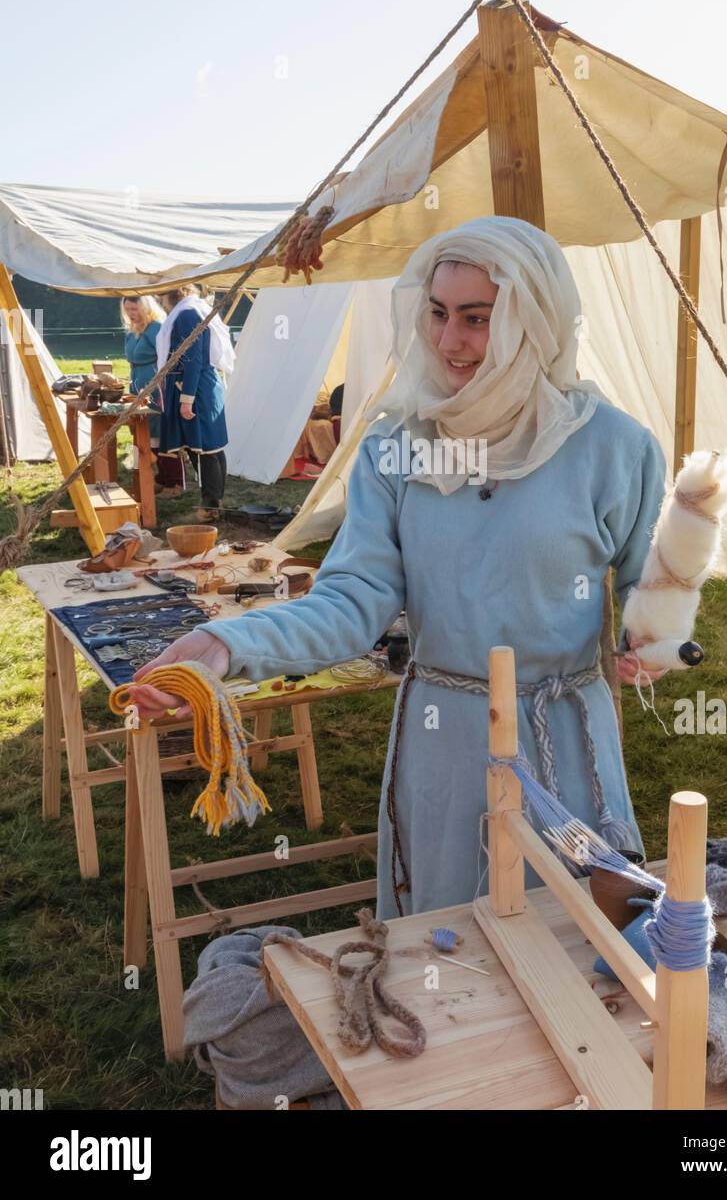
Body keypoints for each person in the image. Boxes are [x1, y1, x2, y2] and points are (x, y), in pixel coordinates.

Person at [132, 217, 670, 919]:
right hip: (447, 740)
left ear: (533, 317)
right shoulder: (395, 448)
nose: (449, 342)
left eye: (478, 319)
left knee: (576, 951)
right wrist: (228, 645)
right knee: (447, 951)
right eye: (439, 314)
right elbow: (353, 601)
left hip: (564, 738)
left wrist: (652, 639)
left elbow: (649, 588)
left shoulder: (614, 449)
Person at [156, 285, 235, 522]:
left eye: (160, 296)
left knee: (206, 449)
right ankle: (213, 502)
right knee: (206, 447)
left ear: (168, 295)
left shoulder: (188, 314)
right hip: (197, 385)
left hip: (194, 387)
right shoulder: (193, 309)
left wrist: (186, 399)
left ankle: (211, 506)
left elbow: (193, 359)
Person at [120, 294, 185, 495]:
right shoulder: (132, 332)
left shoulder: (156, 329)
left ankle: (174, 482)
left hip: (158, 388)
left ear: (146, 308)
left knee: (161, 434)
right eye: (128, 310)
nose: (131, 314)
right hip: (137, 385)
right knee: (144, 434)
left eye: (135, 309)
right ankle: (157, 477)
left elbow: (170, 358)